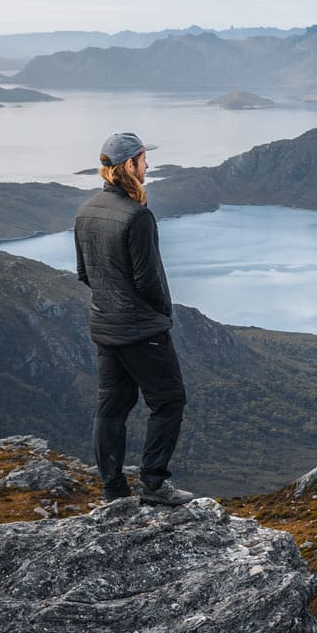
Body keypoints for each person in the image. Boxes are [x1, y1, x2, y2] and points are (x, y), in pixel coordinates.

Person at [74, 131, 194, 505]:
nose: (148, 165)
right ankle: (155, 484)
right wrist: (162, 314)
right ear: (129, 165)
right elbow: (148, 281)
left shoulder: (86, 211)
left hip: (105, 327)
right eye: (143, 159)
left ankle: (113, 490)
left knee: (112, 407)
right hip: (142, 330)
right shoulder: (137, 216)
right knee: (169, 400)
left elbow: (84, 274)